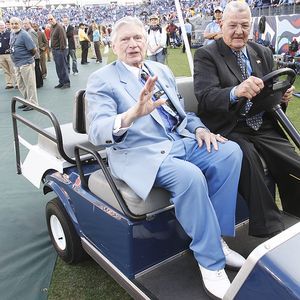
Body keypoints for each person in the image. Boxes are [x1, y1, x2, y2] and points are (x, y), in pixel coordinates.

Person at [86, 16, 245, 300]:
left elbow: (183, 115)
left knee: (229, 152)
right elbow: (97, 131)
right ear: (113, 46)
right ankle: (210, 262)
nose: (133, 45)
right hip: (140, 153)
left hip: (178, 141)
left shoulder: (159, 69)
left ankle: (216, 240)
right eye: (125, 40)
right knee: (190, 177)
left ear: (147, 42)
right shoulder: (102, 80)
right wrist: (132, 114)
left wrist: (198, 128)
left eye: (138, 38)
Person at [193, 1, 300, 238]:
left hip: (262, 124)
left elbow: (270, 98)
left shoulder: (262, 52)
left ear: (251, 26)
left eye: (244, 25)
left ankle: (295, 219)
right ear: (221, 25)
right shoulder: (206, 55)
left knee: (294, 166)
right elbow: (206, 97)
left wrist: (282, 97)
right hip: (229, 127)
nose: (239, 31)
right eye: (233, 25)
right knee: (251, 165)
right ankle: (270, 231)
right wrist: (235, 91)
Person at [9, 17, 38, 111]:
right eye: (12, 23)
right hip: (17, 63)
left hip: (26, 63)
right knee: (21, 84)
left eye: (16, 23)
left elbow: (33, 49)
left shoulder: (24, 35)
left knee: (30, 84)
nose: (14, 25)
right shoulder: (12, 34)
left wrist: (28, 59)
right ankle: (27, 101)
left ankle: (33, 104)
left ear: (20, 24)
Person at [48, 14, 70, 89]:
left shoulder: (59, 27)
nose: (50, 20)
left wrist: (62, 50)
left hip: (60, 50)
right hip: (55, 50)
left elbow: (63, 39)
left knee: (63, 67)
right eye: (49, 19)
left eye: (51, 19)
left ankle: (66, 83)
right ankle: (61, 82)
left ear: (55, 18)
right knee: (58, 68)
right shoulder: (52, 27)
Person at [23, 18, 43, 88]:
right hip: (33, 54)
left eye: (26, 23)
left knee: (36, 69)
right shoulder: (28, 31)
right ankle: (39, 83)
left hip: (34, 54)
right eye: (24, 24)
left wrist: (33, 54)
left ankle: (38, 84)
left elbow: (34, 44)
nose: (25, 25)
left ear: (30, 24)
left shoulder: (31, 32)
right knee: (36, 69)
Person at [0, 20, 16, 89]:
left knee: (12, 69)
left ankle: (17, 82)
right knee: (5, 70)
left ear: (5, 26)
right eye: (0, 26)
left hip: (9, 54)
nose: (1, 27)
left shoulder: (9, 33)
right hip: (1, 55)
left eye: (2, 25)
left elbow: (13, 43)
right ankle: (9, 83)